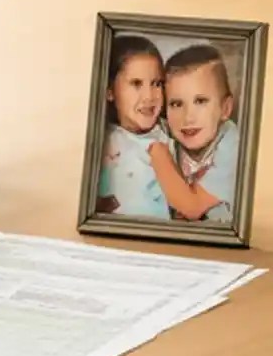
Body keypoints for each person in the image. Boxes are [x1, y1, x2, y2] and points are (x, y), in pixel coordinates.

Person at [148, 44, 240, 222]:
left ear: (225, 108)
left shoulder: (233, 142)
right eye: (176, 104)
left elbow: (191, 207)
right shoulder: (167, 133)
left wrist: (159, 156)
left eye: (200, 101)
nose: (188, 117)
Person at [97, 35, 170, 218]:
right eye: (136, 83)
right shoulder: (102, 141)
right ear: (110, 91)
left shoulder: (172, 139)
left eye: (156, 84)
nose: (149, 96)